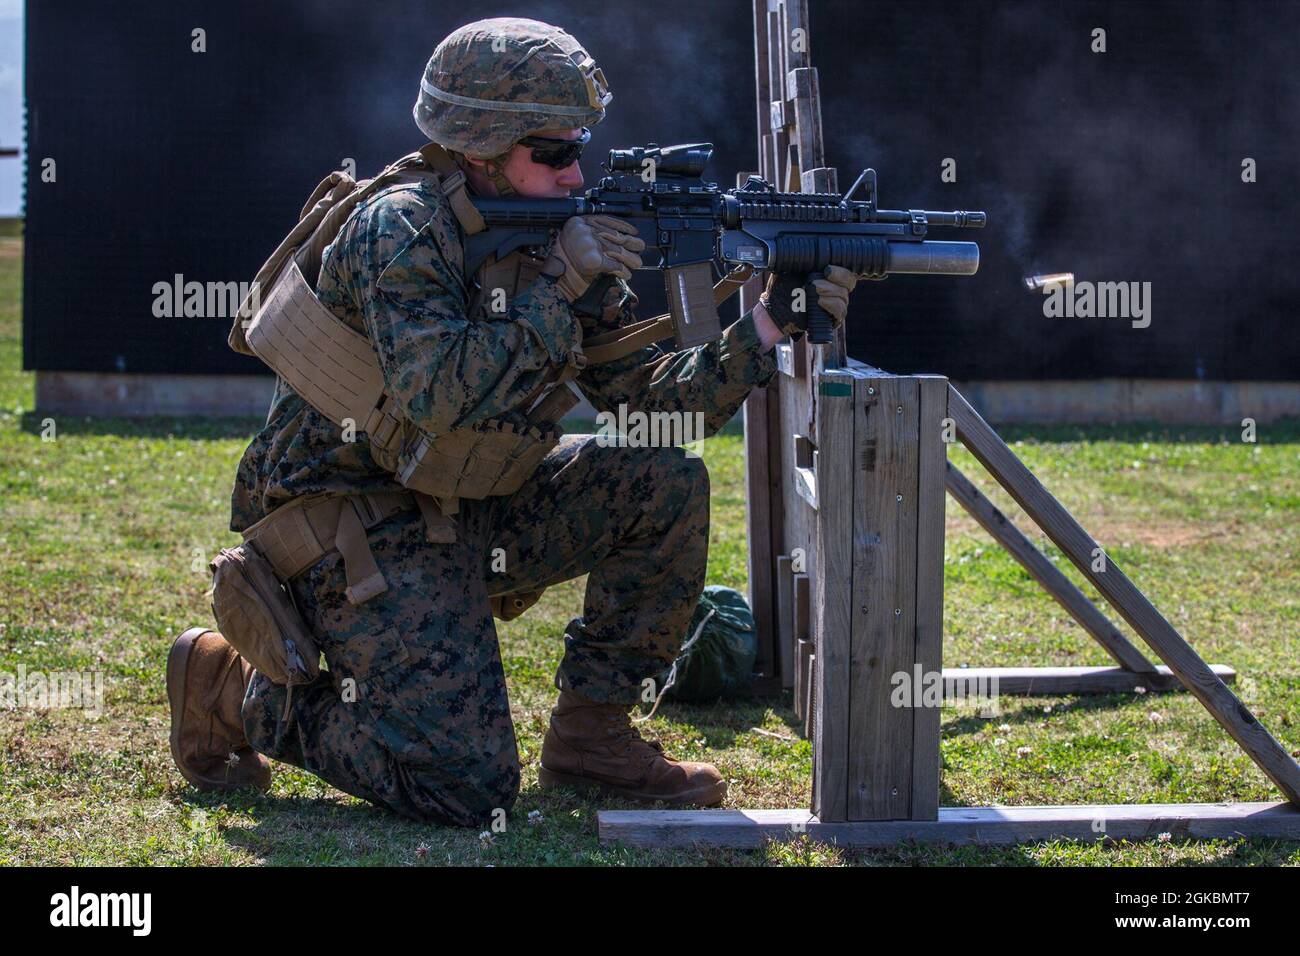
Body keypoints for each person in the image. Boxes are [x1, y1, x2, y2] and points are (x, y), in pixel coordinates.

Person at [167, 17, 856, 826]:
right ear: (482, 146)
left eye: (579, 149)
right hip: (345, 521)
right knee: (466, 785)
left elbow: (649, 406)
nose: (574, 176)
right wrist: (558, 287)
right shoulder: (400, 229)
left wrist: (765, 326)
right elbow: (438, 394)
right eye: (553, 153)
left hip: (462, 499)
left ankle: (593, 735)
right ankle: (235, 693)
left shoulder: (560, 242)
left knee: (661, 477)